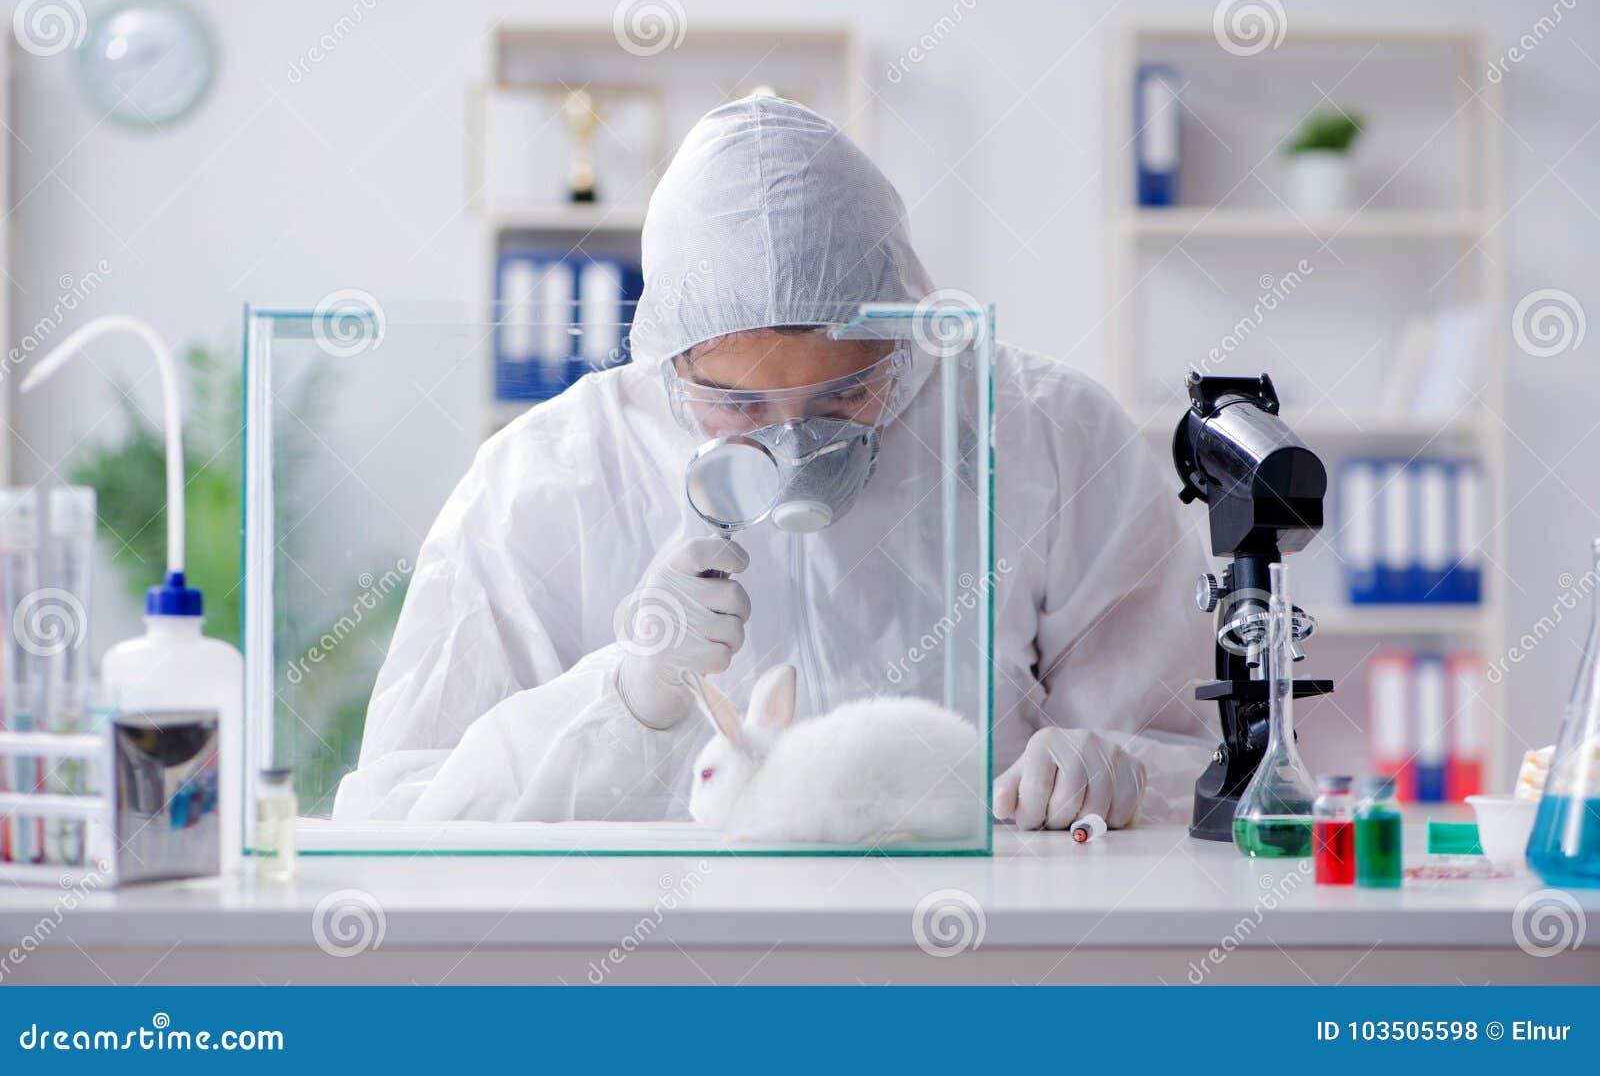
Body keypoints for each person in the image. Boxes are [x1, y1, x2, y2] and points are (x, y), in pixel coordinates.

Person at [334, 95, 1213, 831]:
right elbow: (405, 814)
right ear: (669, 361)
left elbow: (1197, 762)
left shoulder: (1047, 437)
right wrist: (626, 698)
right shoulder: (549, 479)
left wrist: (1117, 771)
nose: (796, 446)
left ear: (905, 340)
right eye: (739, 404)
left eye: (844, 397)